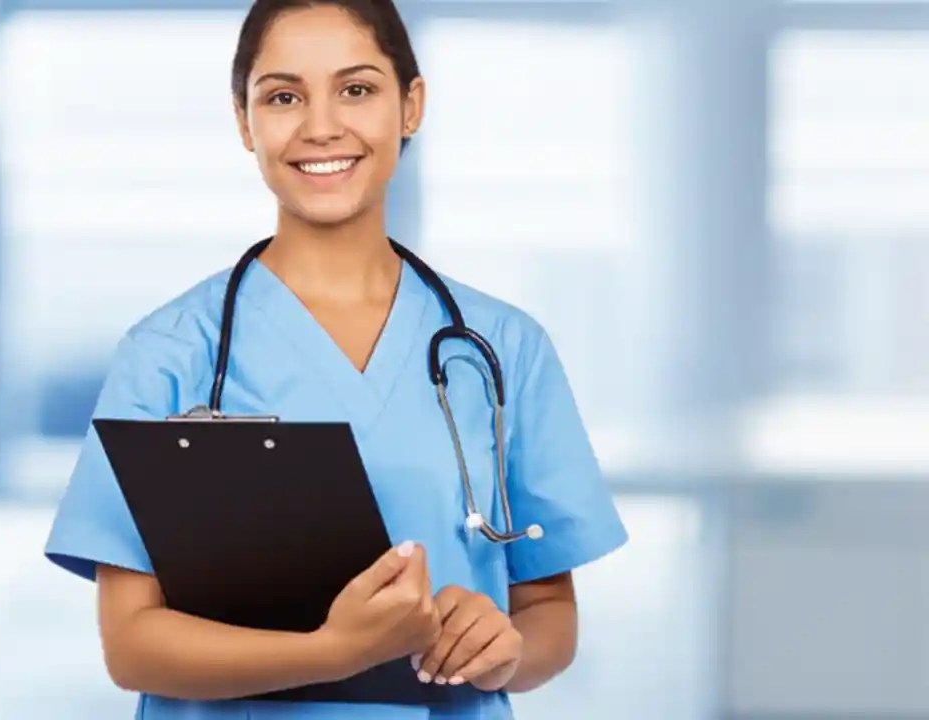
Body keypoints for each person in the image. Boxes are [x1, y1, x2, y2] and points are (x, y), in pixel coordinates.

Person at [43, 1, 628, 717]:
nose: (322, 126)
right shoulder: (168, 354)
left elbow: (548, 617)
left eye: (357, 89)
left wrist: (505, 647)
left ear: (410, 105)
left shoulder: (502, 349)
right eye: (284, 96)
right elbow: (133, 645)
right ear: (243, 119)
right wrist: (336, 650)